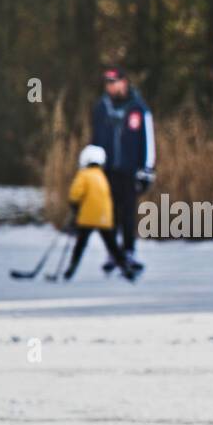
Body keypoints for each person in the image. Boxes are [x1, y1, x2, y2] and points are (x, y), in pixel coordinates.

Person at [90, 66, 154, 274]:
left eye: (114, 81)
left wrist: (147, 170)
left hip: (129, 170)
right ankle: (113, 253)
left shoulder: (139, 108)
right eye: (107, 82)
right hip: (105, 170)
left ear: (124, 82)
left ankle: (128, 251)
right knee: (108, 214)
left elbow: (148, 142)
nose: (110, 86)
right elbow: (95, 139)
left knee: (127, 213)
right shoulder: (101, 108)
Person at [63, 145, 136, 282]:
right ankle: (126, 269)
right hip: (104, 218)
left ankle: (71, 269)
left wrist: (74, 205)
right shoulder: (102, 176)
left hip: (87, 218)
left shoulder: (84, 175)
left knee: (80, 245)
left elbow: (75, 193)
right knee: (112, 246)